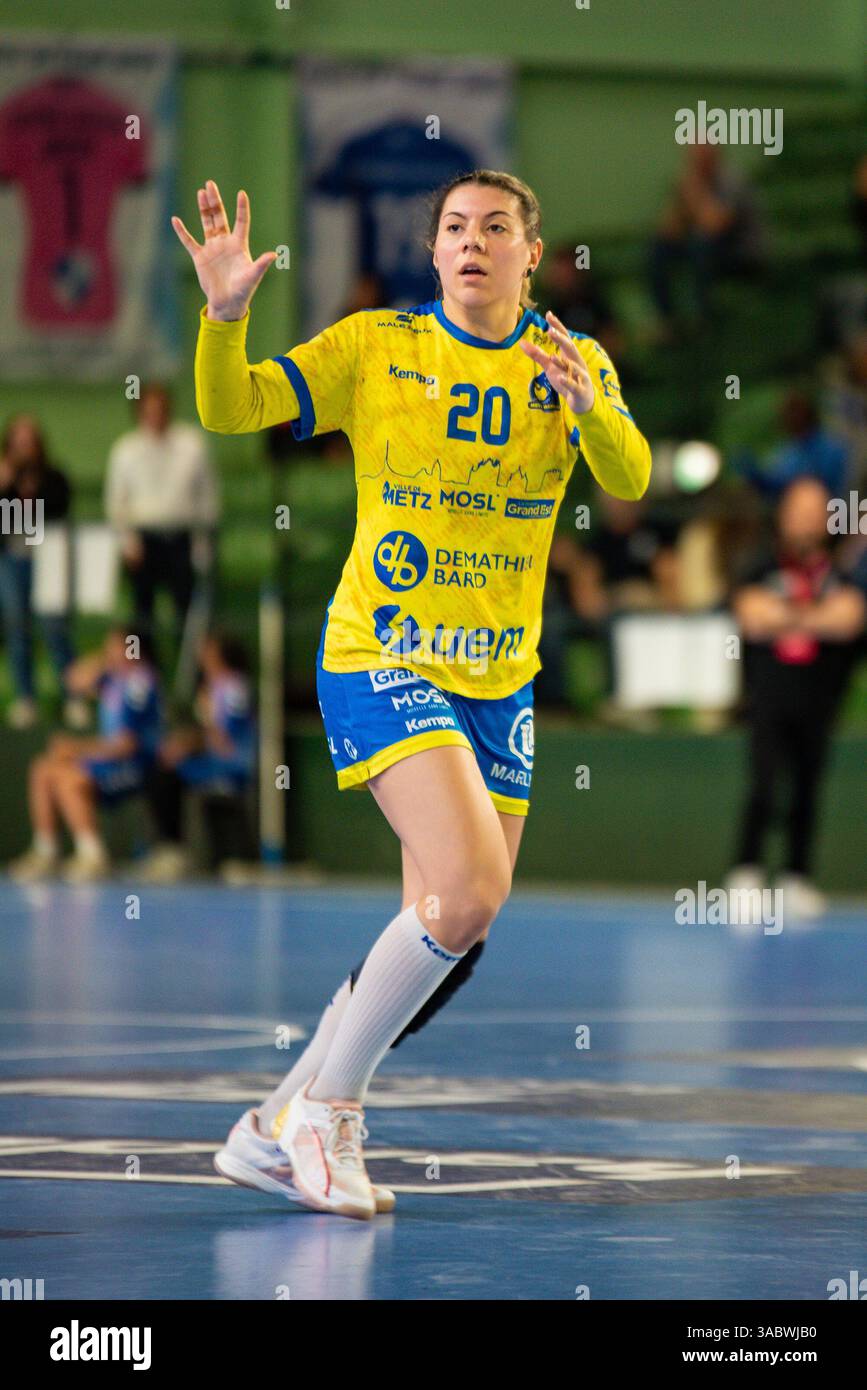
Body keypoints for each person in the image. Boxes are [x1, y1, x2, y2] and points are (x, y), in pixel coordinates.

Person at [173, 170, 651, 1219]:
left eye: (495, 229)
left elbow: (630, 479)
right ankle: (330, 1115)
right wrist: (224, 317)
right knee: (472, 890)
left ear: (533, 254)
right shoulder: (376, 347)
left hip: (500, 681)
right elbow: (230, 405)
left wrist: (590, 409)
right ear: (432, 253)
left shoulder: (569, 362)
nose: (471, 243)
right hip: (381, 652)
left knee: (445, 930)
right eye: (453, 229)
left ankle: (268, 1128)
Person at [727, 478, 865, 917]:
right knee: (764, 783)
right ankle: (746, 871)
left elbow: (849, 618)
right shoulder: (760, 564)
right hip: (769, 694)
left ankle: (796, 875)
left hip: (818, 697)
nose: (806, 520)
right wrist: (812, 617)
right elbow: (751, 613)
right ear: (783, 515)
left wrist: (785, 617)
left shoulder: (839, 573)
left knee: (808, 785)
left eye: (815, 511)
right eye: (798, 510)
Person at [9, 627, 162, 884]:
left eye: (115, 646)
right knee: (44, 768)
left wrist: (77, 748)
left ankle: (93, 855)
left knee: (71, 777)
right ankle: (46, 851)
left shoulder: (140, 682)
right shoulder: (115, 679)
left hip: (136, 767)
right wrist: (106, 659)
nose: (108, 651)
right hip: (110, 763)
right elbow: (72, 679)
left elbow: (127, 746)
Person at [104, 384, 220, 649]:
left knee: (187, 609)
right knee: (143, 611)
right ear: (139, 412)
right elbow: (116, 503)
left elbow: (207, 496)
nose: (156, 416)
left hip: (182, 537)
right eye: (149, 410)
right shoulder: (126, 450)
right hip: (143, 541)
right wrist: (127, 542)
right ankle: (147, 675)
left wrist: (203, 542)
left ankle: (191, 672)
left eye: (160, 409)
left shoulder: (191, 444)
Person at [140, 630, 256, 881]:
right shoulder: (210, 688)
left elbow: (224, 738)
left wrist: (188, 744)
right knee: (159, 770)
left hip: (229, 764)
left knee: (167, 775)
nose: (202, 656)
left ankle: (174, 852)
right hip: (209, 761)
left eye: (209, 650)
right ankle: (169, 848)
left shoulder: (234, 687)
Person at [0, 413, 84, 730]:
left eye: (30, 442)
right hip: (11, 558)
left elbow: (60, 507)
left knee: (54, 628)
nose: (24, 449)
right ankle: (26, 698)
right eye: (18, 443)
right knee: (17, 628)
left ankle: (72, 696)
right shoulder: (4, 476)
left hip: (48, 558)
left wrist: (35, 489)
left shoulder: (53, 477)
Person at [648, 142, 765, 331]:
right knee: (659, 249)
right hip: (708, 249)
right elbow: (668, 231)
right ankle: (667, 319)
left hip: (742, 253)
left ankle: (703, 319)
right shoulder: (690, 183)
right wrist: (680, 202)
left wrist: (694, 193)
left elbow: (714, 226)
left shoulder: (732, 183)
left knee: (701, 246)